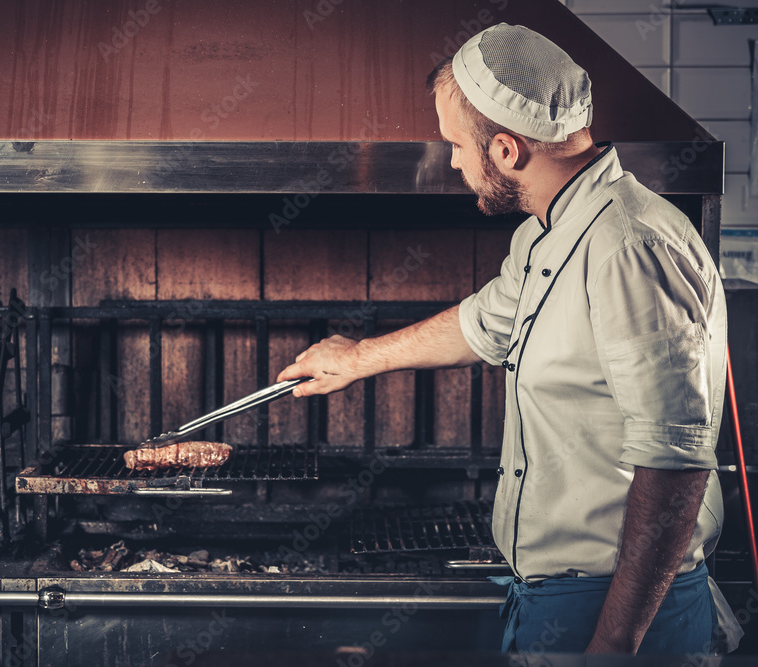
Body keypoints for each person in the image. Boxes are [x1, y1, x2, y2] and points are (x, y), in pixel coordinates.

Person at [276, 23, 742, 655]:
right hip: (554, 599)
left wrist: (611, 647)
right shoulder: (546, 235)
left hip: (621, 611)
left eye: (457, 146)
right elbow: (481, 324)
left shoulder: (629, 246)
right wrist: (355, 359)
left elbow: (675, 464)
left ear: (505, 150)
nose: (454, 162)